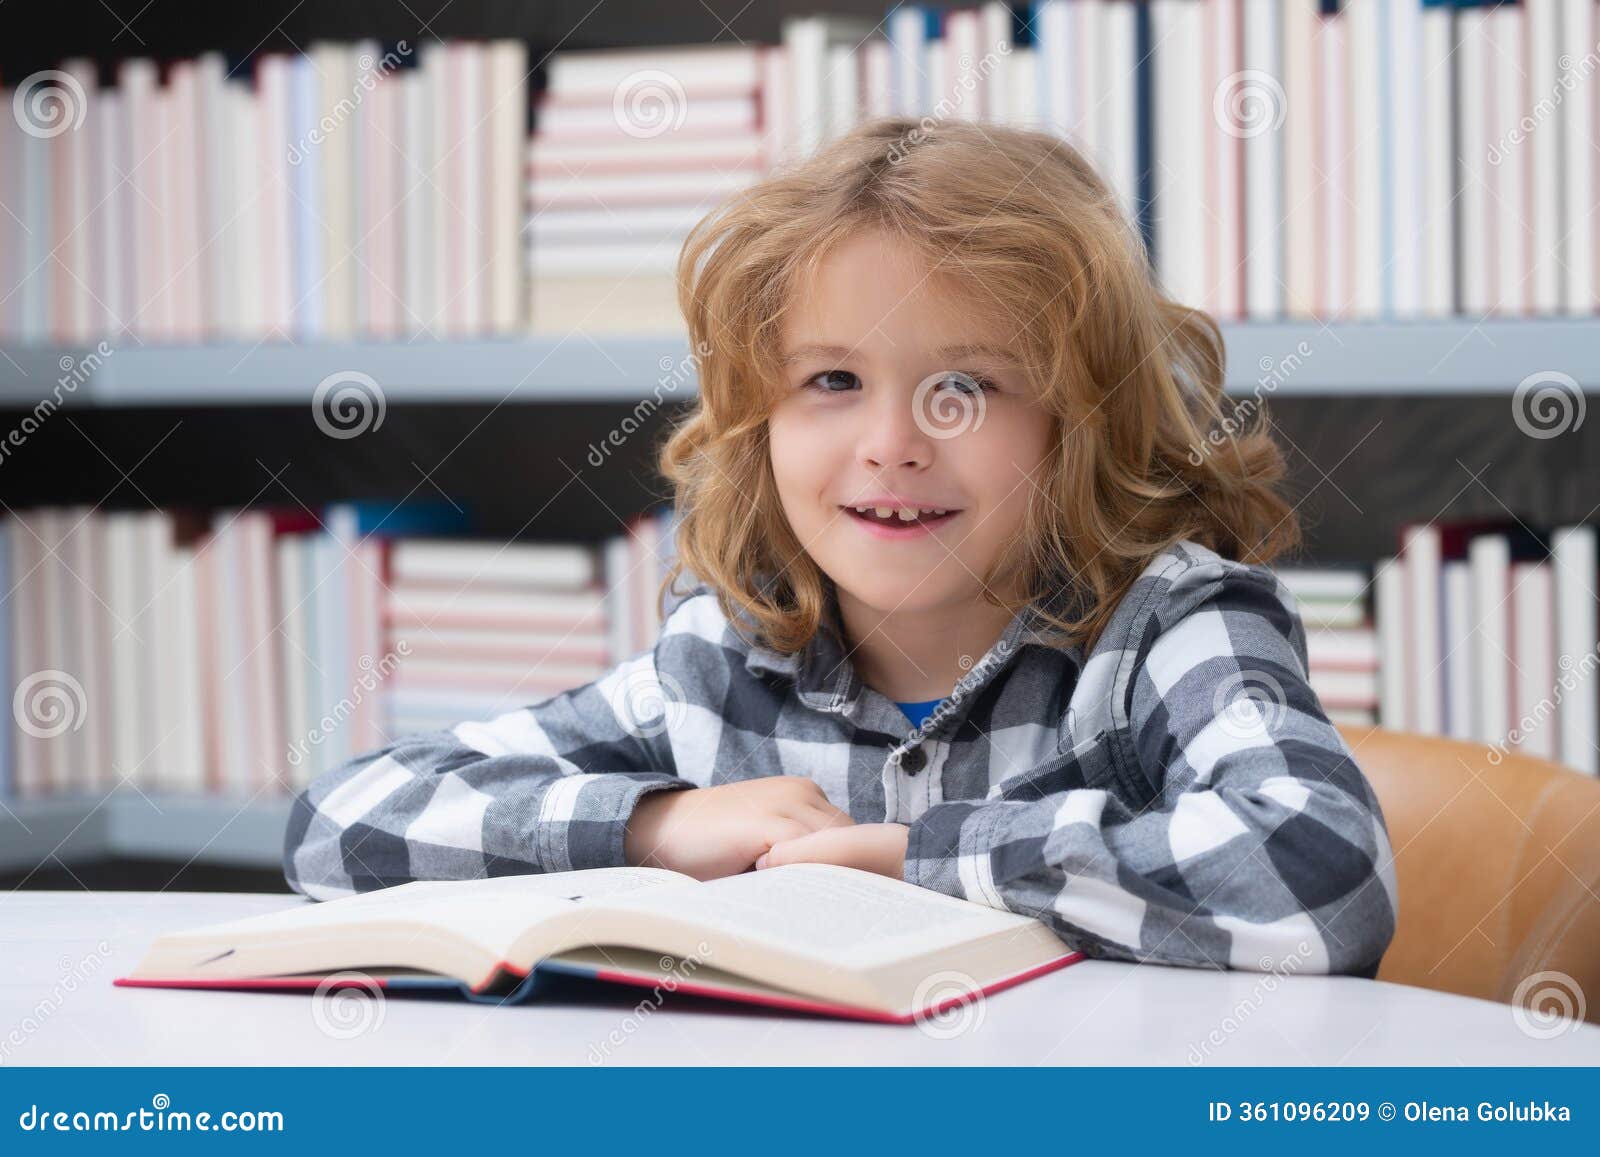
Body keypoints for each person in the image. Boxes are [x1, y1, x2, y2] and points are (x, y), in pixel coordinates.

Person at [282, 117, 1397, 976]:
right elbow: (340, 822)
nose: (891, 445)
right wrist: (656, 822)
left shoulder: (1169, 627)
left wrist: (922, 855)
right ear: (756, 420)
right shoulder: (723, 658)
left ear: (1079, 418)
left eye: (964, 387)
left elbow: (1319, 876)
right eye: (831, 381)